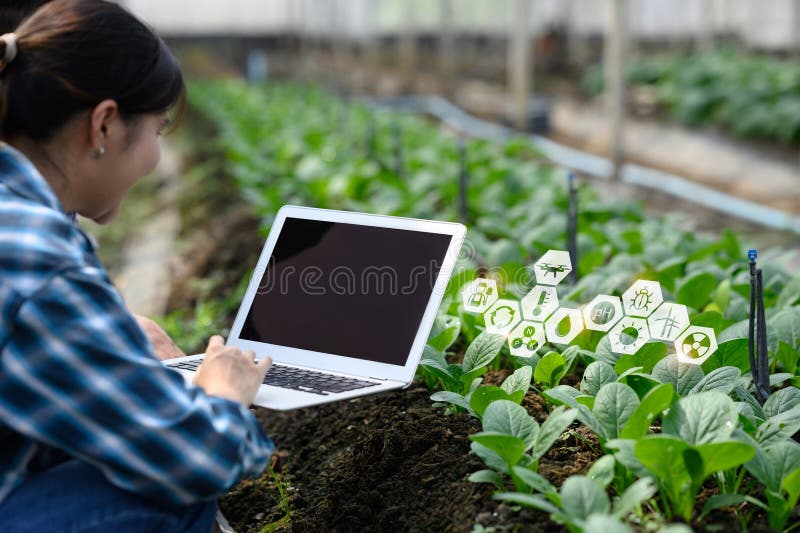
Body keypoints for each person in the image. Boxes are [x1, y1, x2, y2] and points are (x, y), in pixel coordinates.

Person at [0, 1, 275, 531]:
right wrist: (222, 394)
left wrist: (109, 338)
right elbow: (196, 461)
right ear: (104, 125)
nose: (155, 157)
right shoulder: (37, 251)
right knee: (170, 494)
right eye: (159, 129)